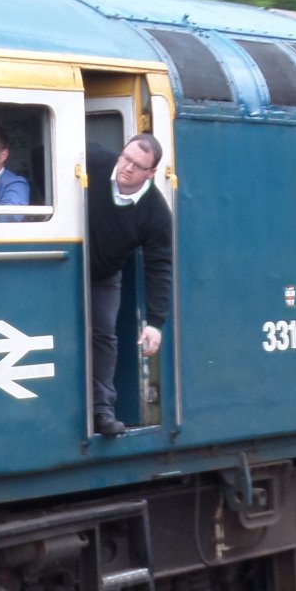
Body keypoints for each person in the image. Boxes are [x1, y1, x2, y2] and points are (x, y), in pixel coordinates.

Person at [87, 133, 172, 436]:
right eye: (125, 158)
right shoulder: (94, 161)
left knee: (104, 334)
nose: (126, 167)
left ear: (151, 173)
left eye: (137, 166)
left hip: (104, 275)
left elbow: (159, 266)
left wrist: (155, 322)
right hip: (66, 268)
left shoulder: (156, 212)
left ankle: (102, 410)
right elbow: (41, 152)